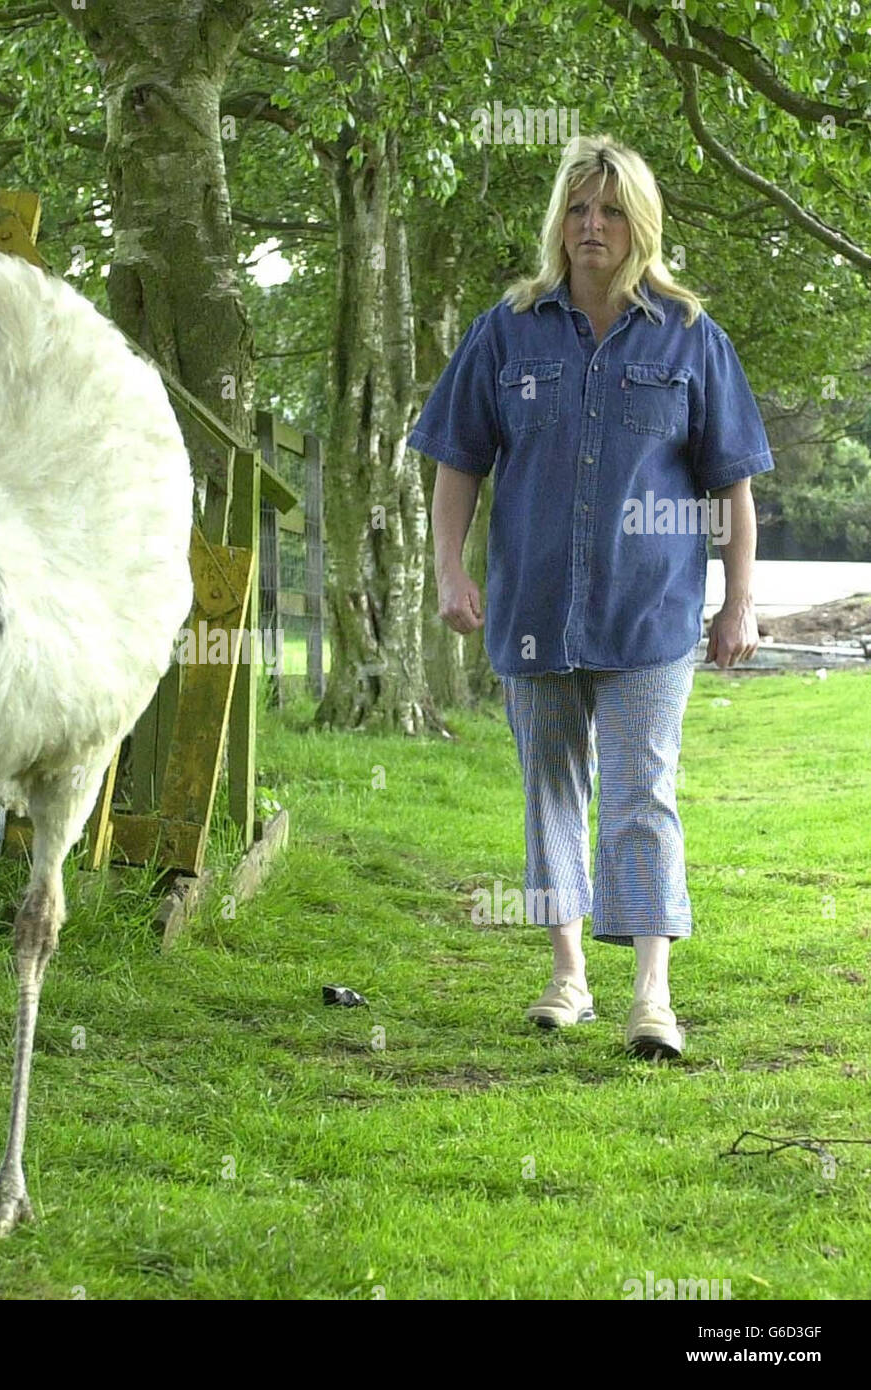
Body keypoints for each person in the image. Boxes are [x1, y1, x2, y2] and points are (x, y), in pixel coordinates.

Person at [408, 134, 773, 1059]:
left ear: (638, 223)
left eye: (610, 210)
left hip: (649, 610)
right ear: (558, 224)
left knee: (643, 791)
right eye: (577, 209)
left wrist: (739, 602)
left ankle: (653, 993)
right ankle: (567, 975)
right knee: (549, 789)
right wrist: (451, 572)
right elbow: (457, 461)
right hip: (533, 608)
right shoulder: (507, 329)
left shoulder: (692, 336)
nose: (591, 227)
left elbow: (732, 486)